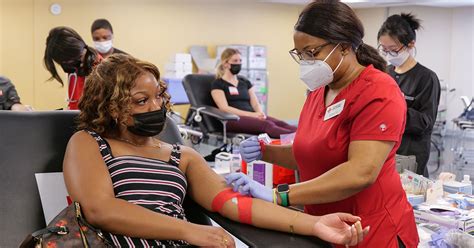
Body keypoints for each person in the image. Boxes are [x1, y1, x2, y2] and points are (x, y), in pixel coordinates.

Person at [63, 53, 369, 247]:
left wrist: (315, 224)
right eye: (141, 101)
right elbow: (99, 209)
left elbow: (235, 204)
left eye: (158, 96)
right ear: (110, 107)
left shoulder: (182, 156)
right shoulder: (90, 143)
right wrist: (189, 231)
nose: (156, 106)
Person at [226, 1, 418, 247]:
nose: (306, 61)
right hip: (325, 225)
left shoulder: (378, 91)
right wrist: (266, 151)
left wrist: (279, 195)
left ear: (345, 46)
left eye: (312, 53)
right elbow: (313, 153)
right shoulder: (319, 91)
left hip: (372, 229)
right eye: (300, 54)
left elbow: (361, 172)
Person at [377, 13, 441, 177]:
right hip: (382, 151)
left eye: (393, 49)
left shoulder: (426, 78)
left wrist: (394, 109)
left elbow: (425, 123)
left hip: (409, 155)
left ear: (411, 44)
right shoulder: (385, 73)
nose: (388, 54)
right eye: (384, 49)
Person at [211, 48, 297, 138]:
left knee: (281, 123)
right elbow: (224, 108)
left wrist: (260, 114)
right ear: (225, 64)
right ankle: (297, 141)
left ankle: (304, 138)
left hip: (252, 116)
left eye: (240, 60)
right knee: (267, 125)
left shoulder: (244, 82)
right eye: (235, 60)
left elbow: (255, 103)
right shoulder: (218, 84)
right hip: (232, 119)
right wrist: (252, 115)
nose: (238, 63)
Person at [44, 26, 101, 110]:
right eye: (63, 62)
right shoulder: (74, 70)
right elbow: (74, 103)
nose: (66, 65)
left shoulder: (101, 70)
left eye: (66, 61)